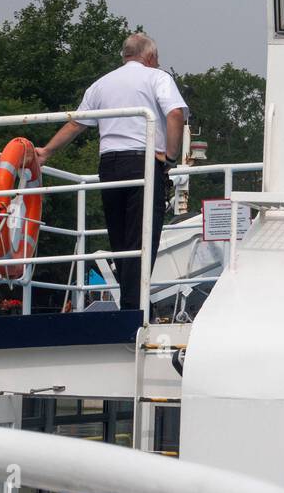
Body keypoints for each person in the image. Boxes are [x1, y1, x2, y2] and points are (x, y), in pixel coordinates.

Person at [37, 33, 188, 311]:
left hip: (109, 165)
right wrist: (169, 157)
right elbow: (175, 114)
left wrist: (45, 152)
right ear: (150, 56)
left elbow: (75, 124)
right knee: (142, 238)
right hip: (143, 162)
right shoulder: (157, 78)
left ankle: (131, 303)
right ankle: (135, 308)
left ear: (125, 55)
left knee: (120, 241)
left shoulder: (101, 84)